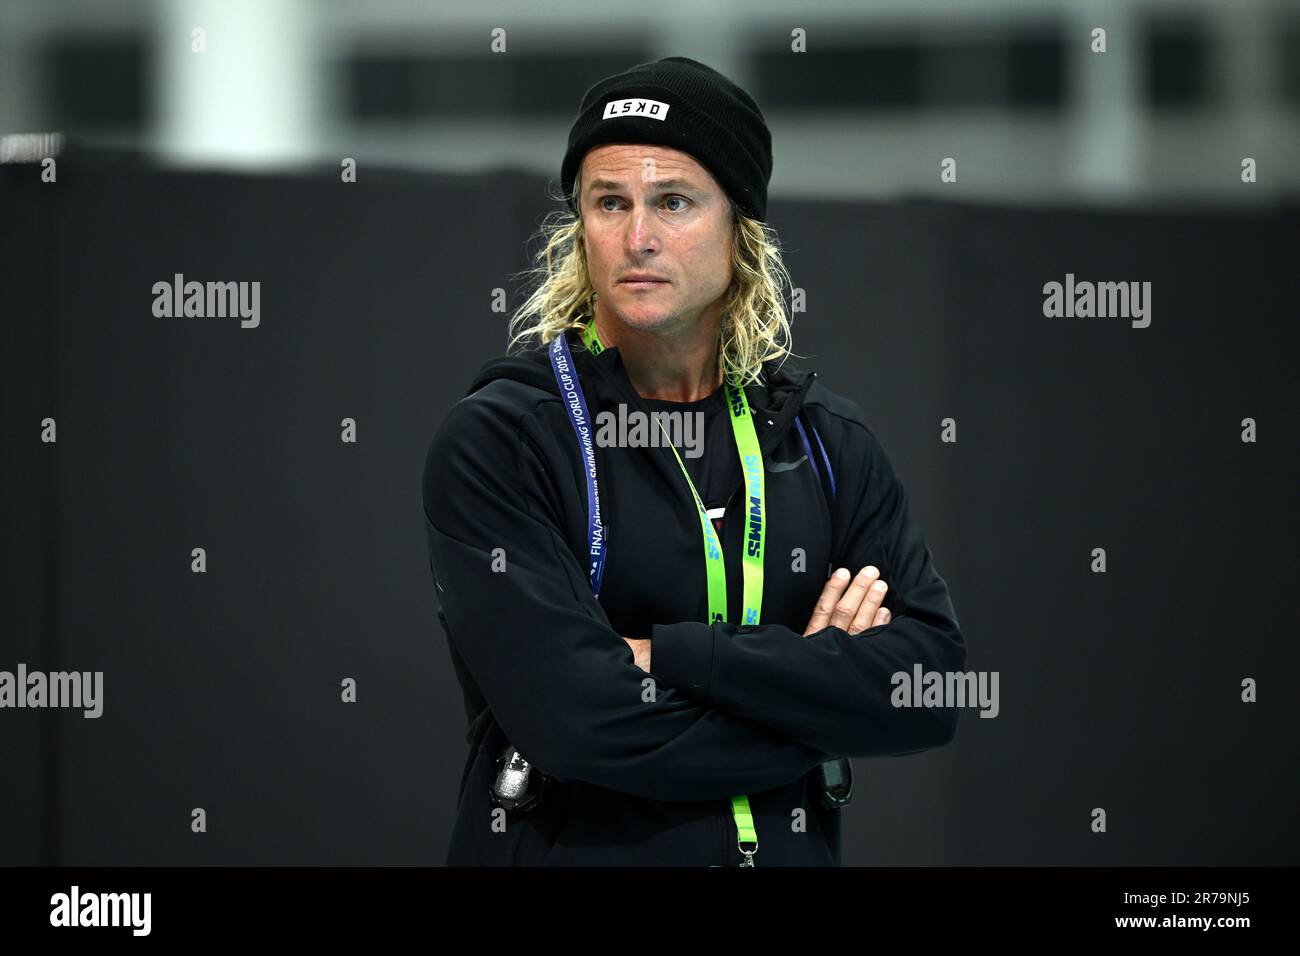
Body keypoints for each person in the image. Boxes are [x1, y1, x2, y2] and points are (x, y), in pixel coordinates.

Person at [421, 56, 965, 866]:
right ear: (580, 229)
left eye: (673, 201)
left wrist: (670, 655)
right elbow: (580, 722)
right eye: (610, 202)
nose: (638, 237)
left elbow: (928, 691)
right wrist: (819, 690)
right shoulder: (506, 438)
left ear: (740, 228)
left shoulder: (823, 440)